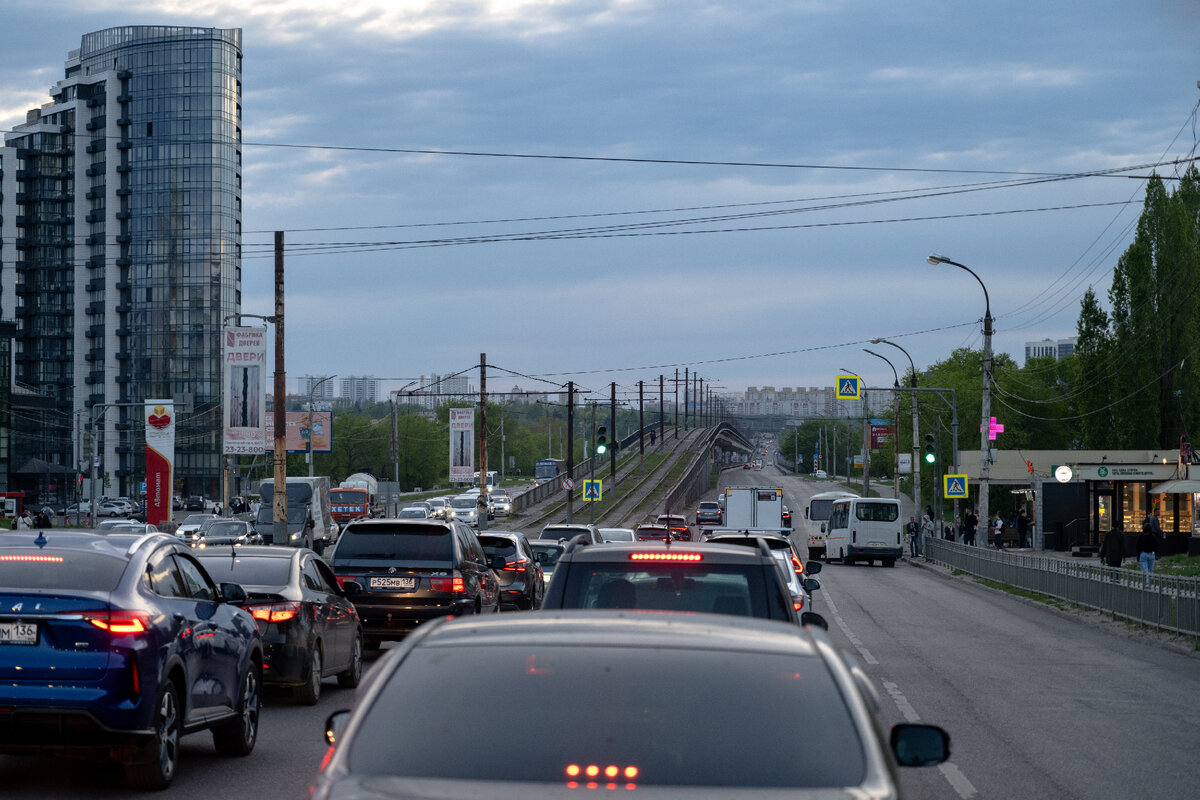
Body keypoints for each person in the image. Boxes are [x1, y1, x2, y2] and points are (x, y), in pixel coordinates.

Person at [1137, 515, 1161, 587]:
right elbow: (1157, 545)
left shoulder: (1141, 536)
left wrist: (1138, 553)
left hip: (1143, 554)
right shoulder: (1153, 536)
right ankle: (1149, 582)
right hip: (1151, 554)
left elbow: (1138, 545)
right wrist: (1156, 552)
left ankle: (1146, 582)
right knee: (1150, 569)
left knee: (1144, 568)